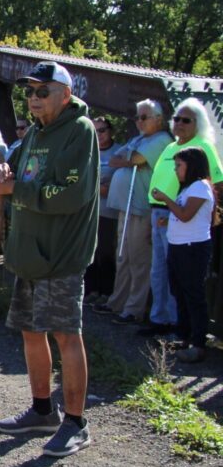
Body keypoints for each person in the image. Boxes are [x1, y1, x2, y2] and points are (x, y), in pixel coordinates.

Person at [0, 61, 98, 457]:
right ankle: (42, 410)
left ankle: (75, 422)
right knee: (31, 332)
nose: (33, 99)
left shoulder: (79, 132)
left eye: (42, 91)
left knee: (66, 334)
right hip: (27, 252)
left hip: (60, 254)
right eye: (30, 92)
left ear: (65, 95)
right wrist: (4, 173)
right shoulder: (34, 133)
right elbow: (14, 174)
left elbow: (71, 194)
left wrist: (15, 189)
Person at [145, 97, 223, 337]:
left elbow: (216, 184)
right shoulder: (171, 146)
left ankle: (179, 326)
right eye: (176, 118)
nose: (178, 123)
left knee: (181, 280)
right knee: (160, 271)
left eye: (185, 120)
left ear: (197, 123)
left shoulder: (203, 147)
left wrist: (210, 218)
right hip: (160, 213)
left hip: (181, 218)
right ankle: (159, 320)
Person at [93, 99, 172, 324]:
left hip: (141, 208)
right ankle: (118, 302)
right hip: (125, 207)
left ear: (158, 119)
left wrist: (128, 160)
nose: (139, 121)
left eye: (144, 117)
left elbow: (135, 159)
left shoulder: (161, 139)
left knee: (139, 260)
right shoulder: (139, 138)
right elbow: (121, 160)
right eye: (137, 117)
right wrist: (128, 160)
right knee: (123, 257)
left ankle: (134, 308)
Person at [151, 147, 216, 363]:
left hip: (192, 248)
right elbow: (184, 216)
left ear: (192, 165)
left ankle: (198, 343)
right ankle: (183, 335)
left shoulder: (200, 186)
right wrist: (168, 220)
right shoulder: (188, 188)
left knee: (193, 295)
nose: (176, 170)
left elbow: (187, 215)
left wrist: (165, 200)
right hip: (179, 246)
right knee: (179, 291)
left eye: (179, 165)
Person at [83, 117, 122, 306]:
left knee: (106, 252)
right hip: (89, 211)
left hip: (108, 212)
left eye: (102, 130)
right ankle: (91, 290)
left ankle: (106, 291)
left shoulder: (119, 152)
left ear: (111, 131)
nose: (99, 135)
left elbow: (112, 186)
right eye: (95, 131)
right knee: (90, 251)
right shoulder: (88, 151)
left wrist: (96, 186)